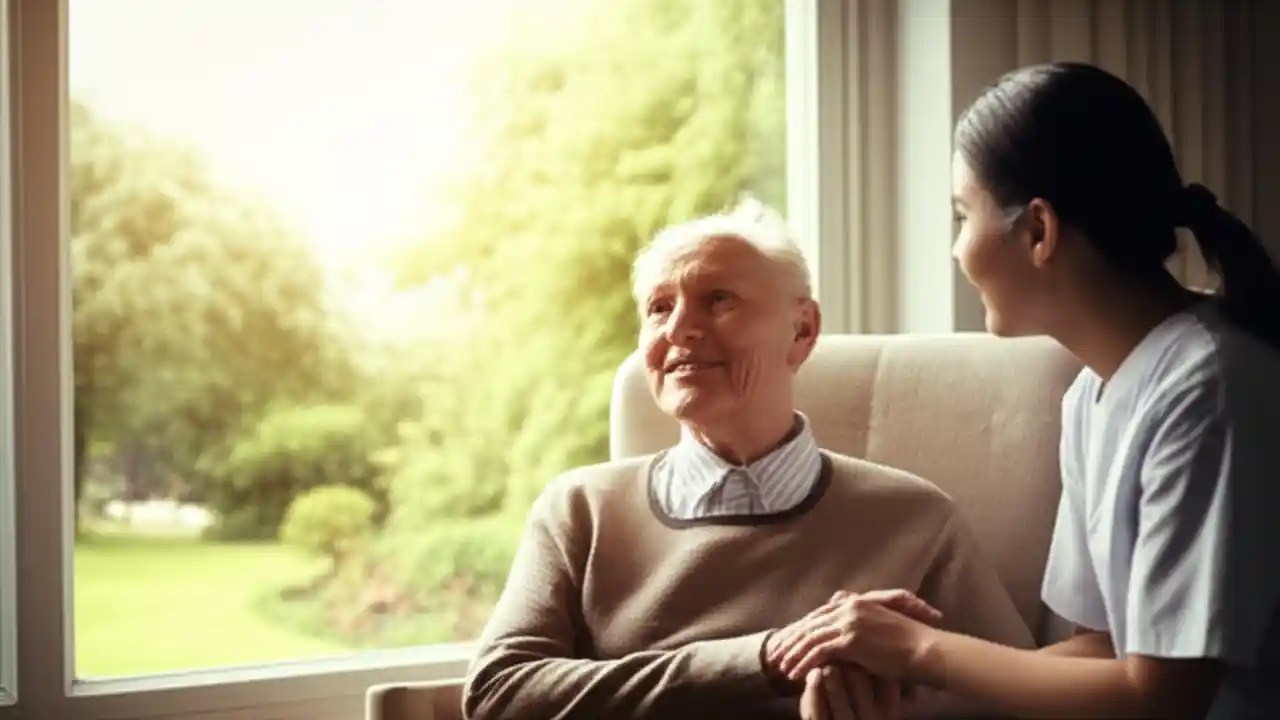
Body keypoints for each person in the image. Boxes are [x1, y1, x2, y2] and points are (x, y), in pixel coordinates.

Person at [771, 62, 1280, 720]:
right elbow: (1100, 652)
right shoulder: (1092, 397)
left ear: (1039, 230)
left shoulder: (1208, 387)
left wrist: (922, 650)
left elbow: (1161, 698)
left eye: (963, 215)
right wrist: (892, 675)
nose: (957, 250)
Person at [460, 198, 1033, 720]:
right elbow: (498, 695)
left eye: (718, 300)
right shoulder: (581, 509)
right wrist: (766, 657)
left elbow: (1025, 697)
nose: (679, 329)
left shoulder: (917, 520)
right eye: (659, 308)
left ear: (802, 330)